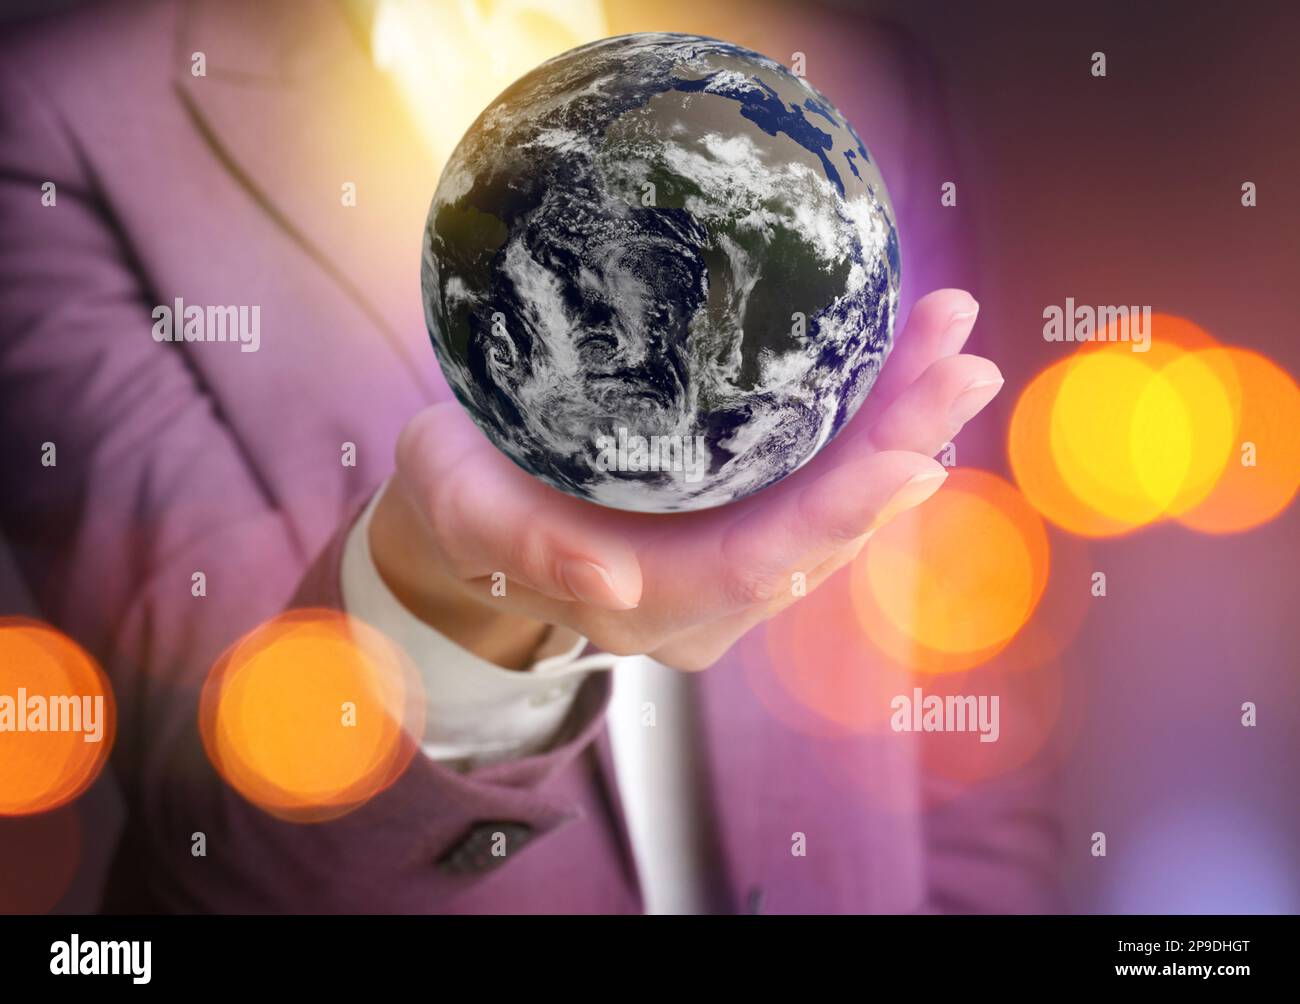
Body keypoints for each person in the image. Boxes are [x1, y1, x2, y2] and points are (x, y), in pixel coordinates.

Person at [0, 0, 1058, 913]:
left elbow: (958, 685)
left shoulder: (851, 77)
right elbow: (222, 835)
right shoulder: (61, 119)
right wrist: (442, 604)